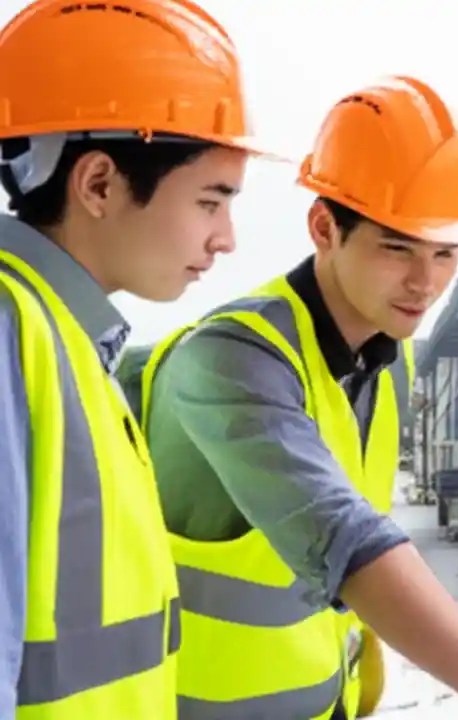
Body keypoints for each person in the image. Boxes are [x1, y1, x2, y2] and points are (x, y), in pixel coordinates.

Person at [133, 77, 458, 720]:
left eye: (444, 252)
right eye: (397, 247)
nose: (425, 281)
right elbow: (349, 542)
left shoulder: (389, 358)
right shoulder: (230, 361)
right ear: (324, 227)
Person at [0, 1, 272, 717]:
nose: (227, 239)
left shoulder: (66, 345)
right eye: (212, 201)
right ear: (97, 184)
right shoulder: (11, 334)